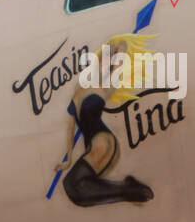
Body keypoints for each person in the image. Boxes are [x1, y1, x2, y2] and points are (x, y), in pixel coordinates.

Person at [54, 34, 155, 206]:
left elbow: (116, 69)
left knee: (72, 185)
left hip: (102, 141)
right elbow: (71, 127)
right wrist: (69, 159)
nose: (108, 62)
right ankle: (128, 189)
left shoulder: (105, 87)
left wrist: (120, 52)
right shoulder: (79, 89)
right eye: (106, 56)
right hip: (94, 145)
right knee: (78, 188)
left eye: (115, 59)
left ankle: (130, 190)